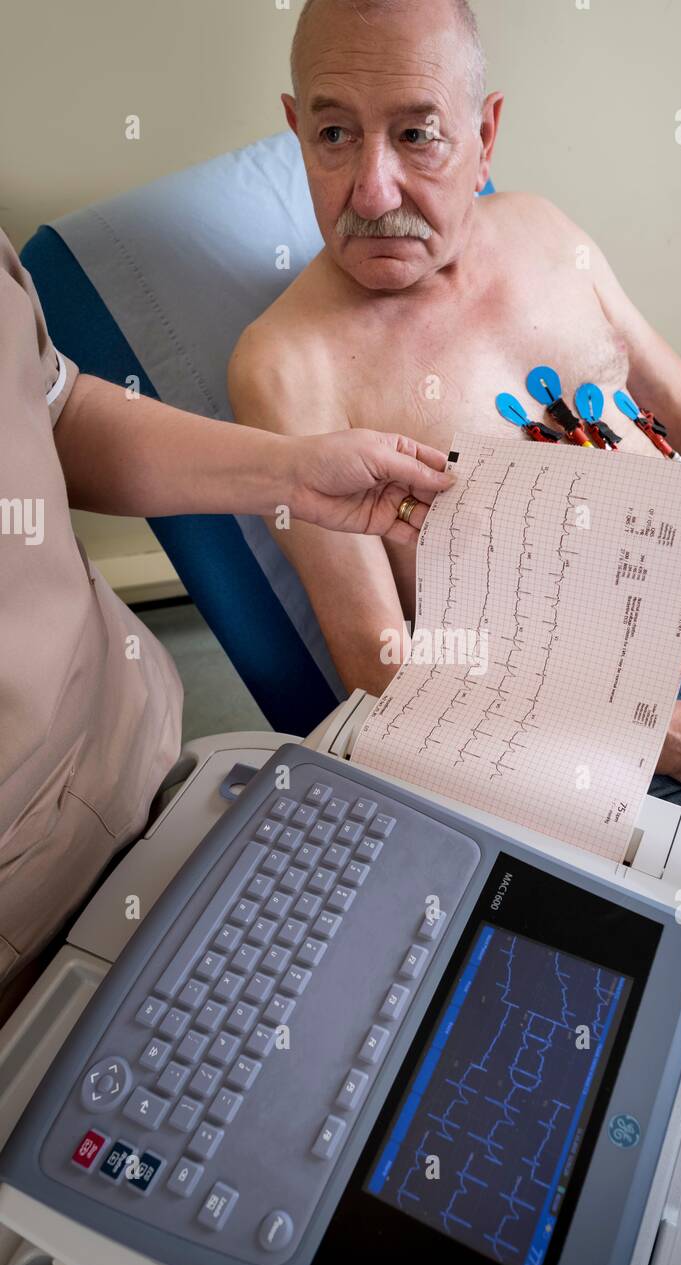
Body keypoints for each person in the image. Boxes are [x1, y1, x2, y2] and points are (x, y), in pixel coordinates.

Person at [229, 0, 681, 971]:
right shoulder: (286, 366)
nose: (371, 184)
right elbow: (376, 655)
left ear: (484, 132)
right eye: (333, 133)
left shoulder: (540, 231)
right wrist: (669, 733)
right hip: (603, 718)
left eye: (415, 133)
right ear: (294, 130)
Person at [0, 226, 451, 1017]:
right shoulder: (284, 360)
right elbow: (384, 671)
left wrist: (294, 471)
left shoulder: (542, 234)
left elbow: (49, 404)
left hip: (137, 747)